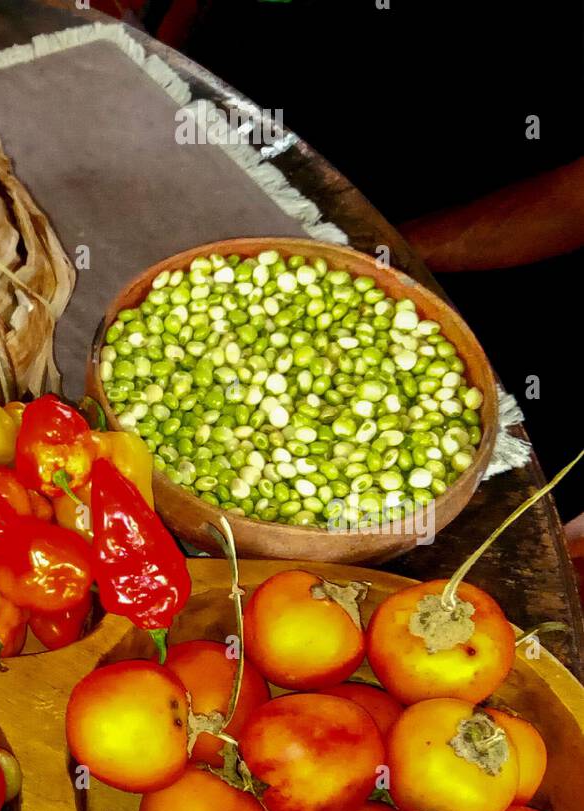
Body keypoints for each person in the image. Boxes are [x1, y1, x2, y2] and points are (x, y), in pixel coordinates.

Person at [147, 0, 584, 518]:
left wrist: (376, 254)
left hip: (470, 278)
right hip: (240, 141)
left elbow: (571, 201)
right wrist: (159, 72)